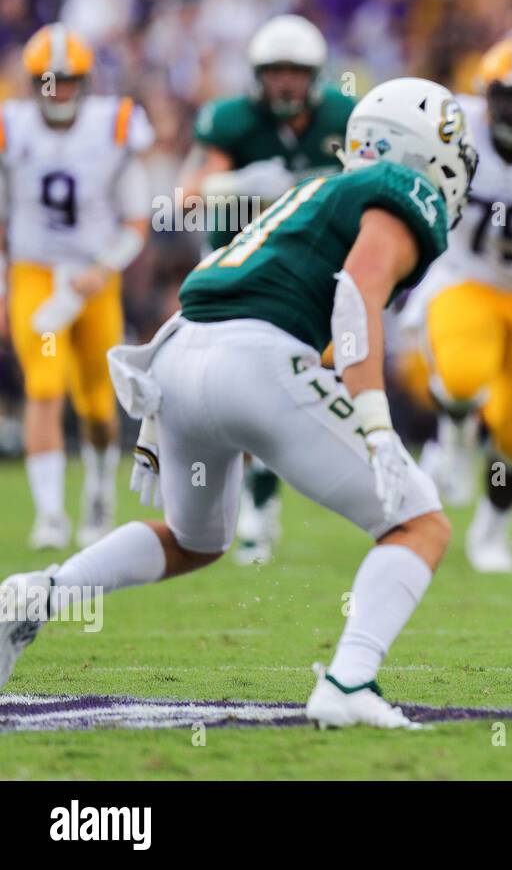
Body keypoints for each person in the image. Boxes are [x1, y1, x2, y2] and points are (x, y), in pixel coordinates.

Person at [1, 78, 480, 725]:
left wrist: (160, 412)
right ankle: (348, 682)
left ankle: (38, 594)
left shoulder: (317, 190)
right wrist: (375, 422)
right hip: (252, 357)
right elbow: (355, 296)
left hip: (179, 354)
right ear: (421, 151)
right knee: (421, 523)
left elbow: (213, 283)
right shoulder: (400, 190)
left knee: (194, 538)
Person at [177, 14, 356, 566]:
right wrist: (242, 185)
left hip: (306, 274)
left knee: (292, 385)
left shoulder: (344, 117)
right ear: (258, 75)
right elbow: (188, 195)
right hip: (236, 268)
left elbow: (371, 179)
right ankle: (228, 503)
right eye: (274, 71)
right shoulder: (232, 121)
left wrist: (309, 186)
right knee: (227, 390)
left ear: (315, 75)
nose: (284, 82)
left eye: (294, 72)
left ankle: (262, 501)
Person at [408, 36, 512, 573]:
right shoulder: (452, 126)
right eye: (507, 96)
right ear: (487, 95)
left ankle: (491, 531)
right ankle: (454, 434)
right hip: (468, 275)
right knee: (461, 375)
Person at [0, 23, 154, 551]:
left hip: (94, 279)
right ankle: (49, 515)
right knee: (44, 386)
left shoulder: (113, 124)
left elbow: (137, 221)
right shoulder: (10, 128)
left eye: (66, 81)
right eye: (48, 81)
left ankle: (96, 493)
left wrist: (103, 268)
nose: (57, 91)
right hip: (35, 273)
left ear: (85, 82)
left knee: (95, 403)